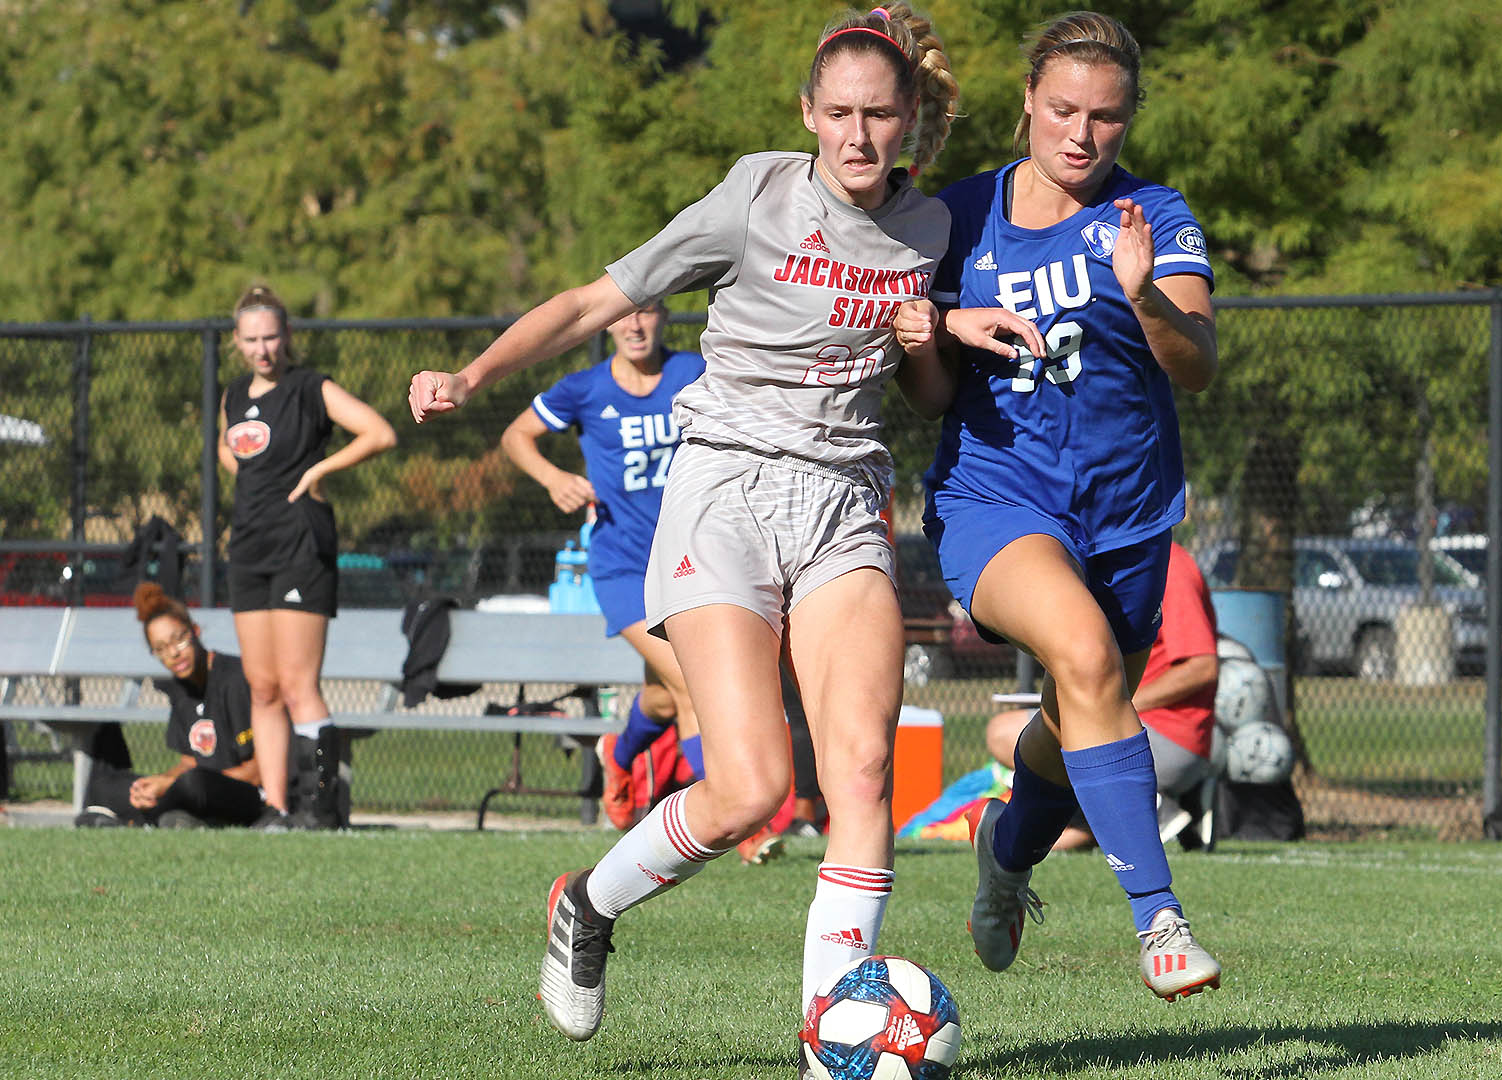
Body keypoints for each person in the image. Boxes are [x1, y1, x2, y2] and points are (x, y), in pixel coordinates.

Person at [406, 2, 1040, 1043]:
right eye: (837, 111)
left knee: (864, 771)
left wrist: (934, 335)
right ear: (806, 112)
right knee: (751, 788)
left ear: (910, 117)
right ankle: (587, 904)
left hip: (844, 502)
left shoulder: (930, 229)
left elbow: (926, 395)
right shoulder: (754, 195)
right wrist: (475, 374)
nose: (856, 135)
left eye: (878, 114)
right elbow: (589, 302)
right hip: (728, 493)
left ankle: (828, 1037)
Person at [895, 10, 1223, 1000]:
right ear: (1029, 103)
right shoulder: (959, 216)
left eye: (1107, 117)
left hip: (1126, 513)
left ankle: (1005, 851)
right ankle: (1161, 923)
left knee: (1076, 713)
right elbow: (932, 396)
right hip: (995, 496)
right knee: (1084, 662)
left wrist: (1145, 299)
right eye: (1064, 110)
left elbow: (1197, 367)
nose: (1082, 135)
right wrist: (927, 337)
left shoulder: (1154, 217)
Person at [497, 300, 789, 854]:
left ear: (662, 318)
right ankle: (738, 826)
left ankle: (621, 752)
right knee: (688, 683)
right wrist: (554, 478)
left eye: (647, 312)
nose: (634, 325)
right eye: (622, 315)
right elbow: (516, 436)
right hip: (622, 568)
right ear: (606, 322)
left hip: (693, 558)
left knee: (662, 694)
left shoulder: (691, 372)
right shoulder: (583, 389)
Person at [220, 284, 396, 829]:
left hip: (302, 545)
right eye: (251, 339)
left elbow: (379, 432)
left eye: (271, 336)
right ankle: (274, 807)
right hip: (249, 548)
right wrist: (255, 484)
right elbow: (230, 453)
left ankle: (321, 809)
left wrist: (318, 471)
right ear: (236, 341)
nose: (262, 349)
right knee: (263, 686)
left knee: (298, 685)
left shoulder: (309, 387)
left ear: (287, 335)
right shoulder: (231, 395)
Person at [982, 539, 1217, 851]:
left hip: (1169, 737)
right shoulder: (1099, 556)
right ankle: (1118, 817)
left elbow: (1202, 666)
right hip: (1119, 719)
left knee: (1004, 732)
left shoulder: (1169, 563)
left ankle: (1153, 806)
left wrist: (1120, 701)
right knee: (1039, 845)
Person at [76, 583, 266, 828]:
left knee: (194, 785)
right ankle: (164, 815)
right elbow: (190, 761)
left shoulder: (234, 679)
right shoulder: (180, 688)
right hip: (192, 790)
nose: (173, 654)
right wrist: (157, 783)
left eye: (178, 640)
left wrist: (171, 786)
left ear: (195, 631)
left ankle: (137, 821)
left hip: (244, 794)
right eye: (161, 649)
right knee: (105, 784)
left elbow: (257, 772)